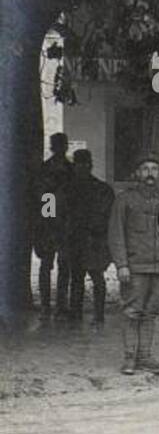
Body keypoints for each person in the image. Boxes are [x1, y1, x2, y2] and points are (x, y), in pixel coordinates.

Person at [108, 149, 159, 374]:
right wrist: (121, 265)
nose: (150, 173)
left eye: (154, 169)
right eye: (145, 169)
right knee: (132, 312)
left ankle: (145, 357)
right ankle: (129, 358)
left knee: (151, 312)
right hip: (135, 267)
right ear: (137, 173)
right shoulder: (124, 200)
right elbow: (116, 234)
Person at [63, 149, 116, 325]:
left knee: (88, 277)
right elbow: (53, 209)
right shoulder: (101, 189)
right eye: (79, 165)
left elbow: (108, 216)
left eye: (83, 164)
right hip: (84, 239)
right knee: (83, 277)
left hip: (91, 239)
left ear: (89, 166)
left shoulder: (71, 188)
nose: (81, 168)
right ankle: (88, 315)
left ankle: (86, 315)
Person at [33, 132, 73, 317]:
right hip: (51, 225)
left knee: (63, 265)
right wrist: (50, 221)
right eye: (58, 145)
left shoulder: (69, 169)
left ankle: (60, 304)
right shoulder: (46, 169)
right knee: (47, 265)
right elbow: (45, 198)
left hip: (63, 223)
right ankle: (46, 305)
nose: (60, 149)